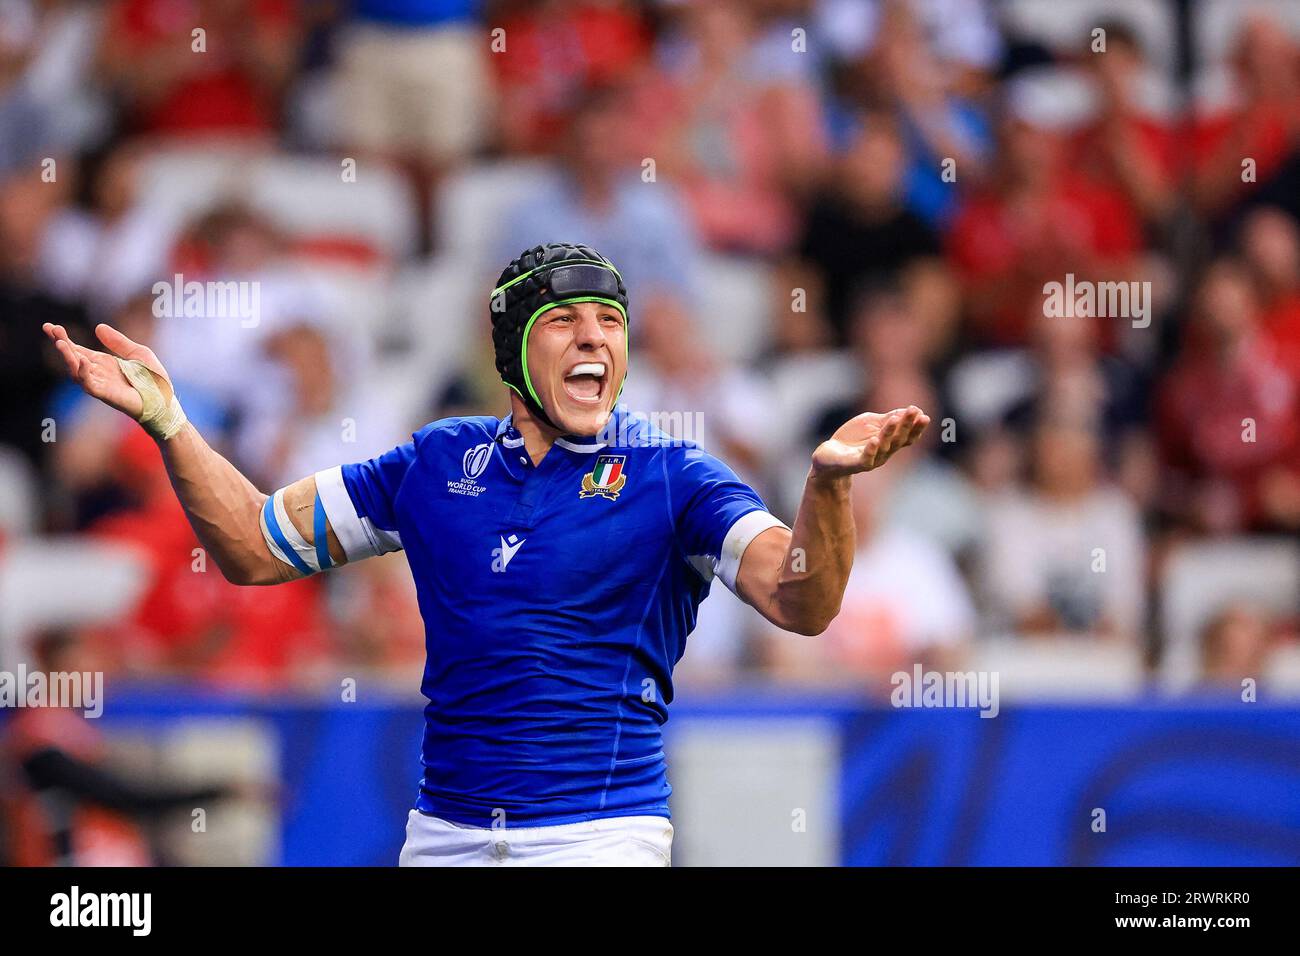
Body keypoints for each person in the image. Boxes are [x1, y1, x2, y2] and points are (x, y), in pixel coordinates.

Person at [42, 241, 930, 866]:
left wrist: (828, 488)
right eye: (567, 321)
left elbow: (803, 602)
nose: (596, 338)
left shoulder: (674, 475)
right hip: (445, 839)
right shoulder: (434, 462)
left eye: (611, 321)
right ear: (512, 352)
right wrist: (170, 424)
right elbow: (256, 544)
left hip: (598, 841)